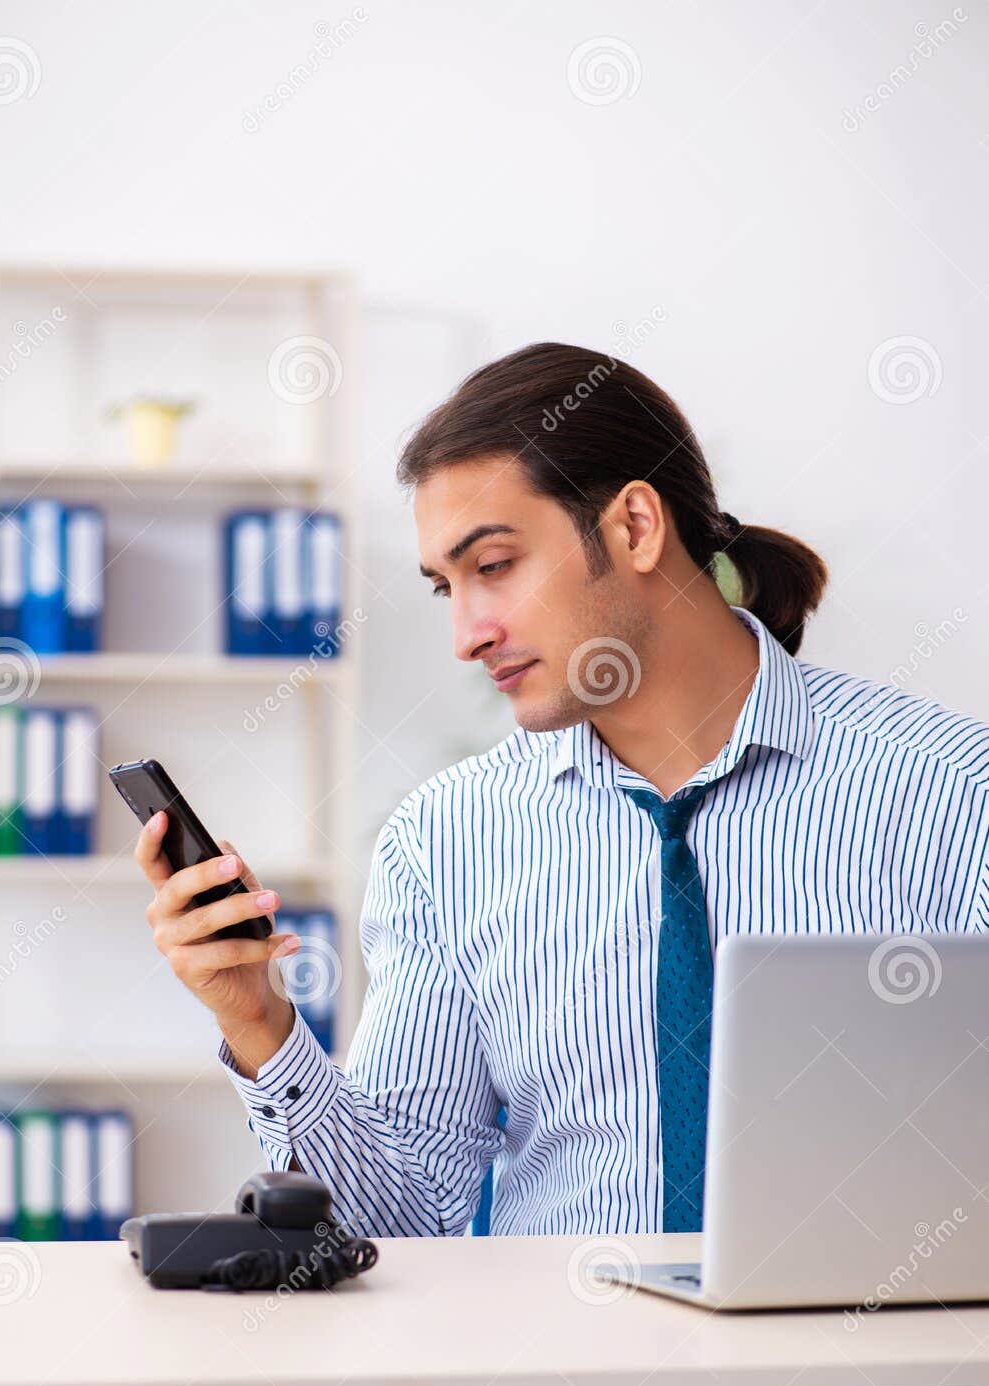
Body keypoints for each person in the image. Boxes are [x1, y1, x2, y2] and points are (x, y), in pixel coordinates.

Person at [134, 342, 989, 1238]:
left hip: (868, 1365)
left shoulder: (952, 796)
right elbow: (403, 1219)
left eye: (495, 565)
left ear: (634, 527)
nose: (467, 634)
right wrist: (261, 1023)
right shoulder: (447, 841)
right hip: (564, 1370)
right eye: (445, 589)